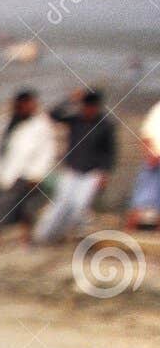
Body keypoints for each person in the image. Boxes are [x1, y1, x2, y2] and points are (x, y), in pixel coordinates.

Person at [35, 89, 117, 245]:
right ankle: (44, 236)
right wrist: (69, 99)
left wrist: (104, 174)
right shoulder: (75, 120)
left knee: (79, 206)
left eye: (92, 107)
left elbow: (110, 152)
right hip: (72, 170)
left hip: (92, 172)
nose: (88, 110)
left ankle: (65, 235)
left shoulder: (106, 125)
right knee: (60, 204)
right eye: (86, 106)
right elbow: (52, 114)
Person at [0, 92, 57, 246]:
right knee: (2, 205)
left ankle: (25, 238)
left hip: (31, 173)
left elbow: (47, 150)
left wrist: (38, 173)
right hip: (8, 171)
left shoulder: (42, 124)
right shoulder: (5, 122)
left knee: (28, 208)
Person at [126, 99, 160, 233]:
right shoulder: (158, 110)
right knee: (141, 200)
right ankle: (129, 233)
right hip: (154, 160)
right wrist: (150, 153)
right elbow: (146, 134)